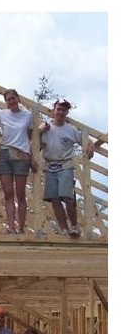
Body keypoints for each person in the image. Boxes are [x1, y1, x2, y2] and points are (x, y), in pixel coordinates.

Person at [39, 99, 102, 237]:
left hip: (65, 165)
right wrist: (40, 130)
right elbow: (34, 143)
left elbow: (84, 140)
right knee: (54, 199)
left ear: (67, 112)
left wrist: (91, 145)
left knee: (68, 197)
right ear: (53, 110)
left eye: (64, 110)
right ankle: (64, 229)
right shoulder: (45, 127)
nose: (60, 112)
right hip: (49, 166)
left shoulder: (70, 129)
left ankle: (74, 226)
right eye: (58, 109)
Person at [0, 90, 34, 234]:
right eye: (8, 100)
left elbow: (31, 137)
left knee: (21, 194)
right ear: (6, 102)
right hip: (5, 152)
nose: (11, 101)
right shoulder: (1, 114)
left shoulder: (27, 115)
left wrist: (32, 157)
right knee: (8, 193)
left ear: (18, 99)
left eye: (13, 98)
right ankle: (11, 227)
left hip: (21, 154)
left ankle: (21, 228)